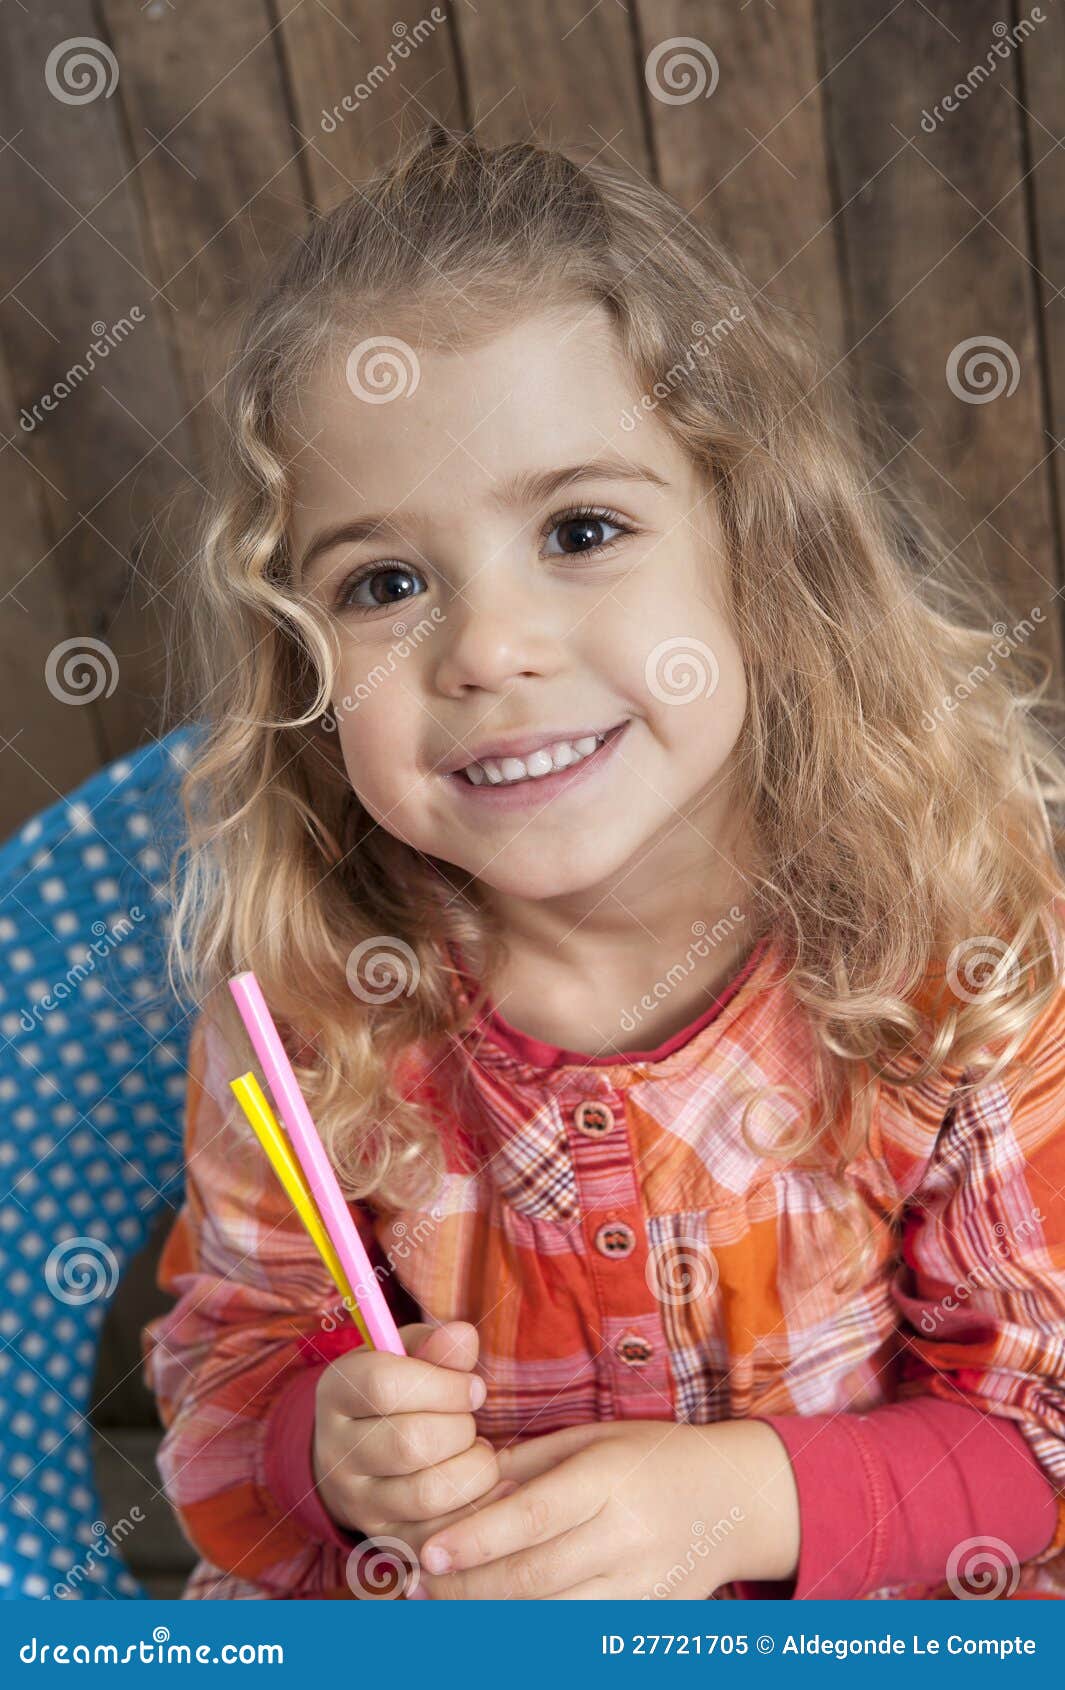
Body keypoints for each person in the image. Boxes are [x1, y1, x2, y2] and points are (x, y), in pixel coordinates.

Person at [142, 127, 1065, 1600]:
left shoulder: (960, 949)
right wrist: (317, 1446)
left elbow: (1045, 1425)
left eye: (581, 528)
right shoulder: (314, 998)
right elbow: (225, 1376)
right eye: (383, 583)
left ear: (761, 554)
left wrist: (743, 1505)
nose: (489, 649)